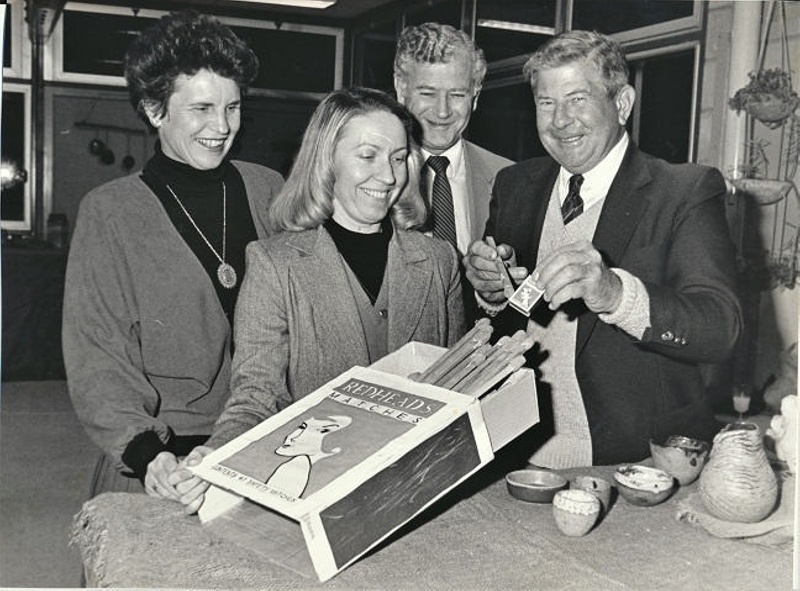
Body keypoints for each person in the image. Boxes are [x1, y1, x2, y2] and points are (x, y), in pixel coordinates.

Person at [152, 87, 466, 512]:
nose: (389, 177)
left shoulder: (439, 260)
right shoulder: (273, 264)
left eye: (397, 158)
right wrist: (216, 456)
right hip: (317, 493)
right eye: (368, 156)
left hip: (418, 488)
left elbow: (456, 388)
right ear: (327, 161)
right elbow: (255, 393)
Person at [464, 30, 742, 468]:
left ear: (622, 104)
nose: (560, 121)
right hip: (515, 451)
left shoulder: (684, 190)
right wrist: (490, 292)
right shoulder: (515, 185)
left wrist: (615, 293)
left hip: (639, 458)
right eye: (546, 103)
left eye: (577, 99)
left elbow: (720, 328)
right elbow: (498, 324)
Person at [62, 10, 284, 500]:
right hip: (164, 459)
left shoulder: (269, 189)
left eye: (233, 107)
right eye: (201, 108)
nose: (222, 126)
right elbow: (96, 353)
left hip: (261, 444)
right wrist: (150, 456)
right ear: (155, 109)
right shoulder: (110, 212)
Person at [394, 23, 513, 319]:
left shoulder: (510, 179)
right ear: (401, 87)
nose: (443, 111)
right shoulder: (372, 178)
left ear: (476, 94)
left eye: (457, 95)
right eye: (428, 93)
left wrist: (501, 287)